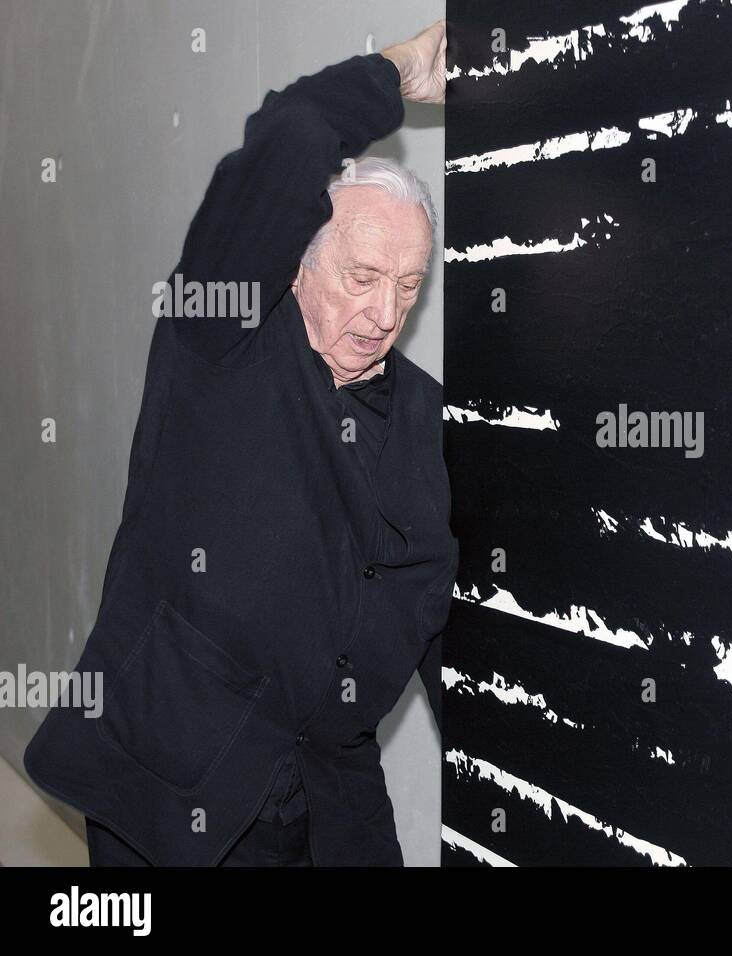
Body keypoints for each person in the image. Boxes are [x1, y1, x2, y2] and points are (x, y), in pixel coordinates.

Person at [24, 21, 458, 866]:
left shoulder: (430, 423)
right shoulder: (221, 342)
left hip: (333, 810)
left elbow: (445, 626)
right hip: (170, 784)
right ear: (297, 265)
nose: (383, 315)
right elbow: (294, 133)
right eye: (362, 278)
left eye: (408, 287)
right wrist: (398, 69)